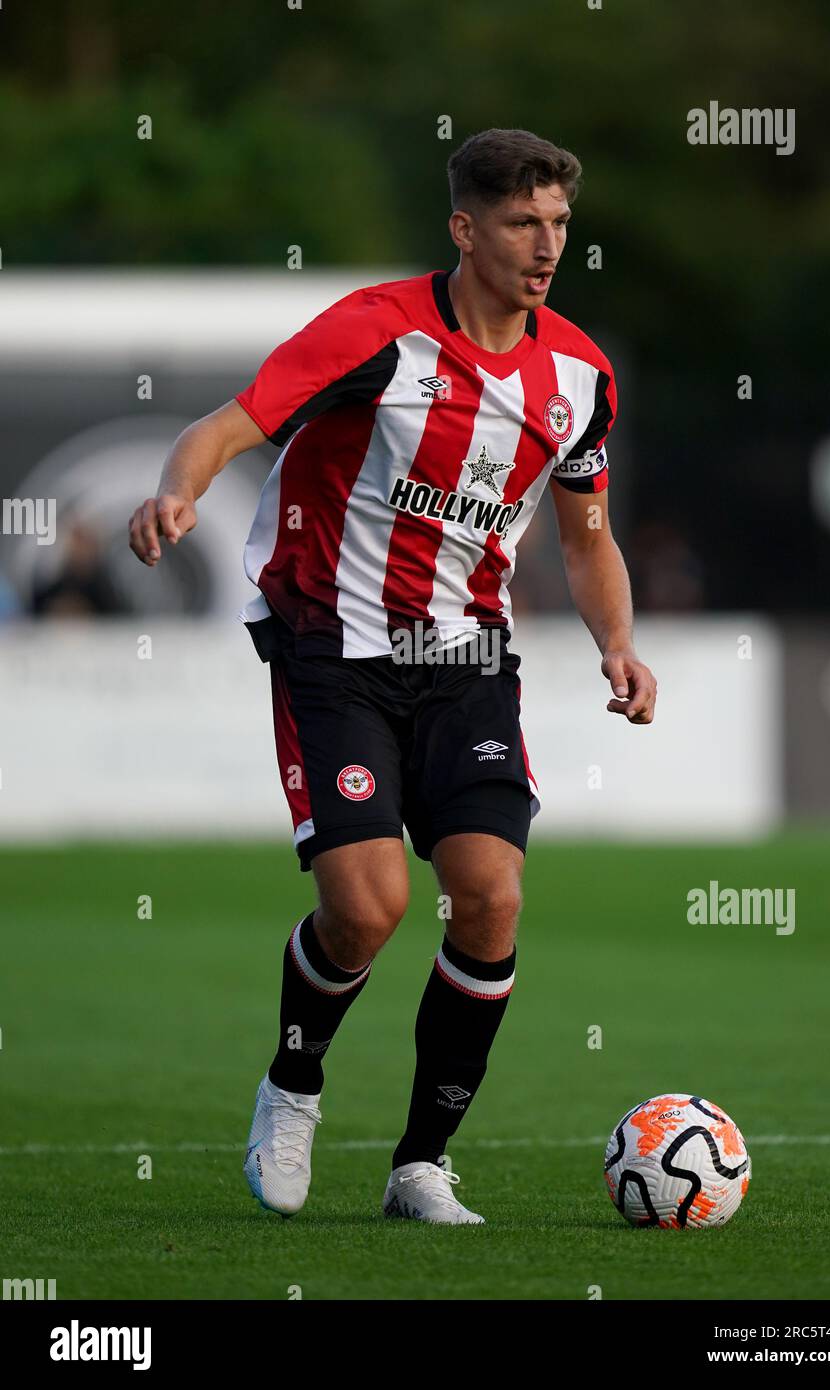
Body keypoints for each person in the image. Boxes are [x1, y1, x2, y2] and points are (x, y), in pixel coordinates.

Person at [128, 127, 657, 1226]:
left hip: (464, 660)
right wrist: (175, 492)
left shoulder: (578, 375)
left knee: (490, 898)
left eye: (558, 222)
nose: (545, 243)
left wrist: (616, 641)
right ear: (466, 229)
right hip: (333, 650)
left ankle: (422, 1161)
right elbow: (225, 427)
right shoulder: (374, 333)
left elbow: (588, 532)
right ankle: (293, 1085)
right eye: (522, 222)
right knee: (365, 910)